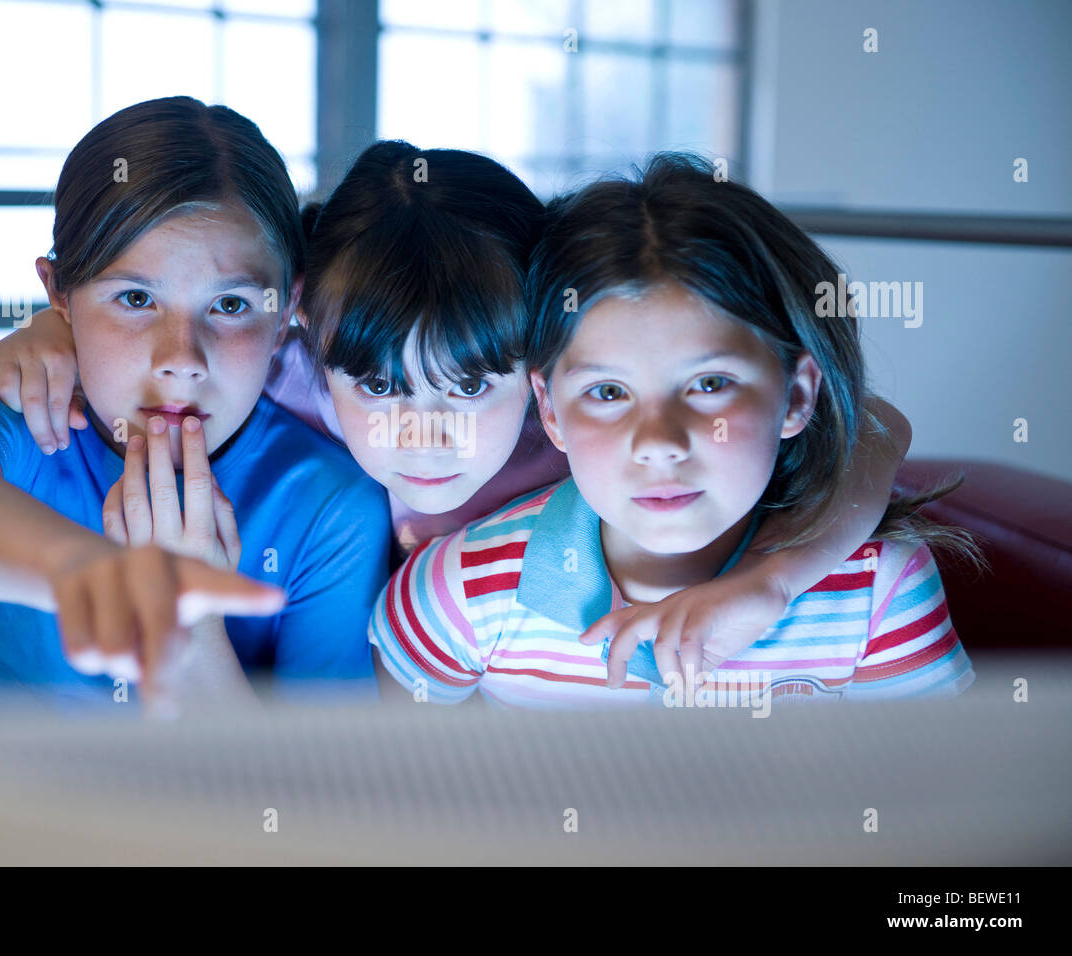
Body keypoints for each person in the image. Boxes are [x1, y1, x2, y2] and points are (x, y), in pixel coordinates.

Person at [0, 141, 914, 686]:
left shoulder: (592, 428)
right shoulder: (292, 365)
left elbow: (869, 426)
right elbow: (189, 312)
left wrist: (781, 577)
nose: (423, 431)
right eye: (382, 391)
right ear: (305, 324)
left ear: (543, 371)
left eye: (473, 387)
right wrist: (53, 326)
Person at [367, 152, 977, 709]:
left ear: (795, 395)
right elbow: (403, 800)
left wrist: (770, 584)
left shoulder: (877, 596)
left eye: (710, 385)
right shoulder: (457, 594)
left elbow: (943, 810)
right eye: (607, 393)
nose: (659, 441)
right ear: (549, 411)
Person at [0, 97, 390, 712]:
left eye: (230, 305)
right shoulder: (6, 410)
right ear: (59, 295)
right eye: (134, 299)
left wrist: (194, 625)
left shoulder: (330, 504)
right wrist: (81, 568)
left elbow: (316, 795)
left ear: (286, 310)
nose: (181, 356)